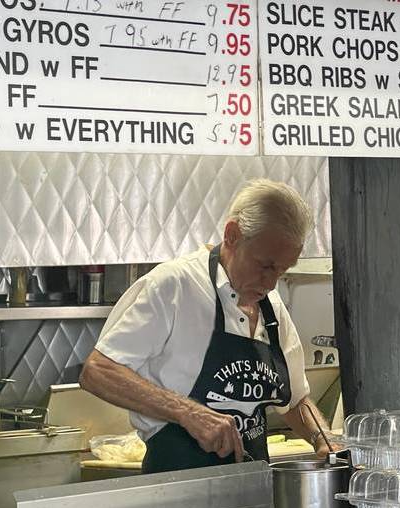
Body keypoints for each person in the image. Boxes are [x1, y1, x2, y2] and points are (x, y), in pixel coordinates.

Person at [80, 179, 339, 473]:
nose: (271, 283)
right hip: (177, 490)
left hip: (250, 492)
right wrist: (187, 412)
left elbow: (293, 400)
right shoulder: (173, 286)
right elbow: (98, 372)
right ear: (232, 235)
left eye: (282, 270)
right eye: (265, 266)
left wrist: (323, 438)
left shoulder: (272, 306)